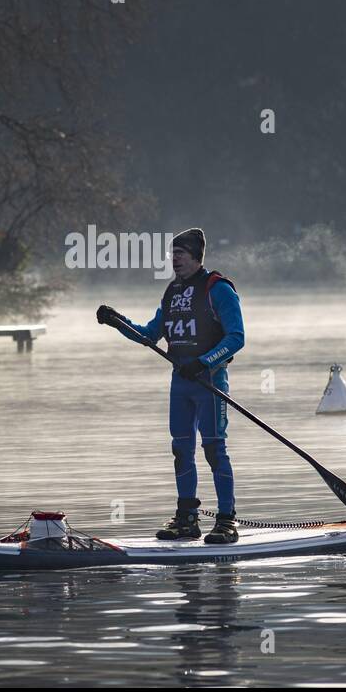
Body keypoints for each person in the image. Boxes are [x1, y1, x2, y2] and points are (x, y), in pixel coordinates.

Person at [96, 228, 245, 544]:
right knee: (181, 449)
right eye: (172, 253)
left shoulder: (218, 289)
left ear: (195, 256)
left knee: (214, 450)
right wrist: (116, 321)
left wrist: (203, 362)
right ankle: (187, 518)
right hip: (181, 383)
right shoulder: (172, 293)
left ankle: (226, 521)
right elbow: (149, 335)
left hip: (209, 381)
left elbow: (236, 338)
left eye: (180, 253)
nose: (174, 259)